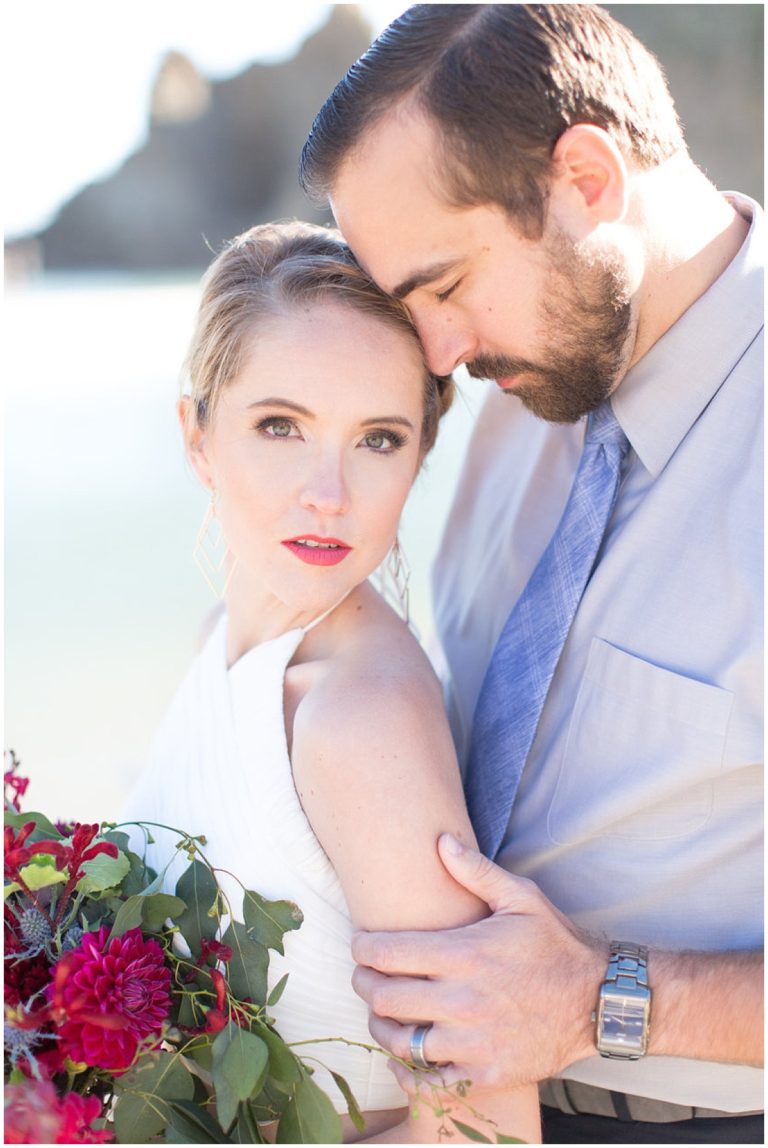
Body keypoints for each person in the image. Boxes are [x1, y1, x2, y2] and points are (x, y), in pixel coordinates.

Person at [299, 4, 764, 1143]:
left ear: (588, 177)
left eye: (446, 284)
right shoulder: (520, 393)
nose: (439, 354)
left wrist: (595, 998)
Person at [124, 221, 541, 1144]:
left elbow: (486, 1130)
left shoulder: (359, 724)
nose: (329, 492)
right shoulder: (223, 648)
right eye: (282, 426)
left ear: (421, 456)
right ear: (197, 435)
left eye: (379, 440)